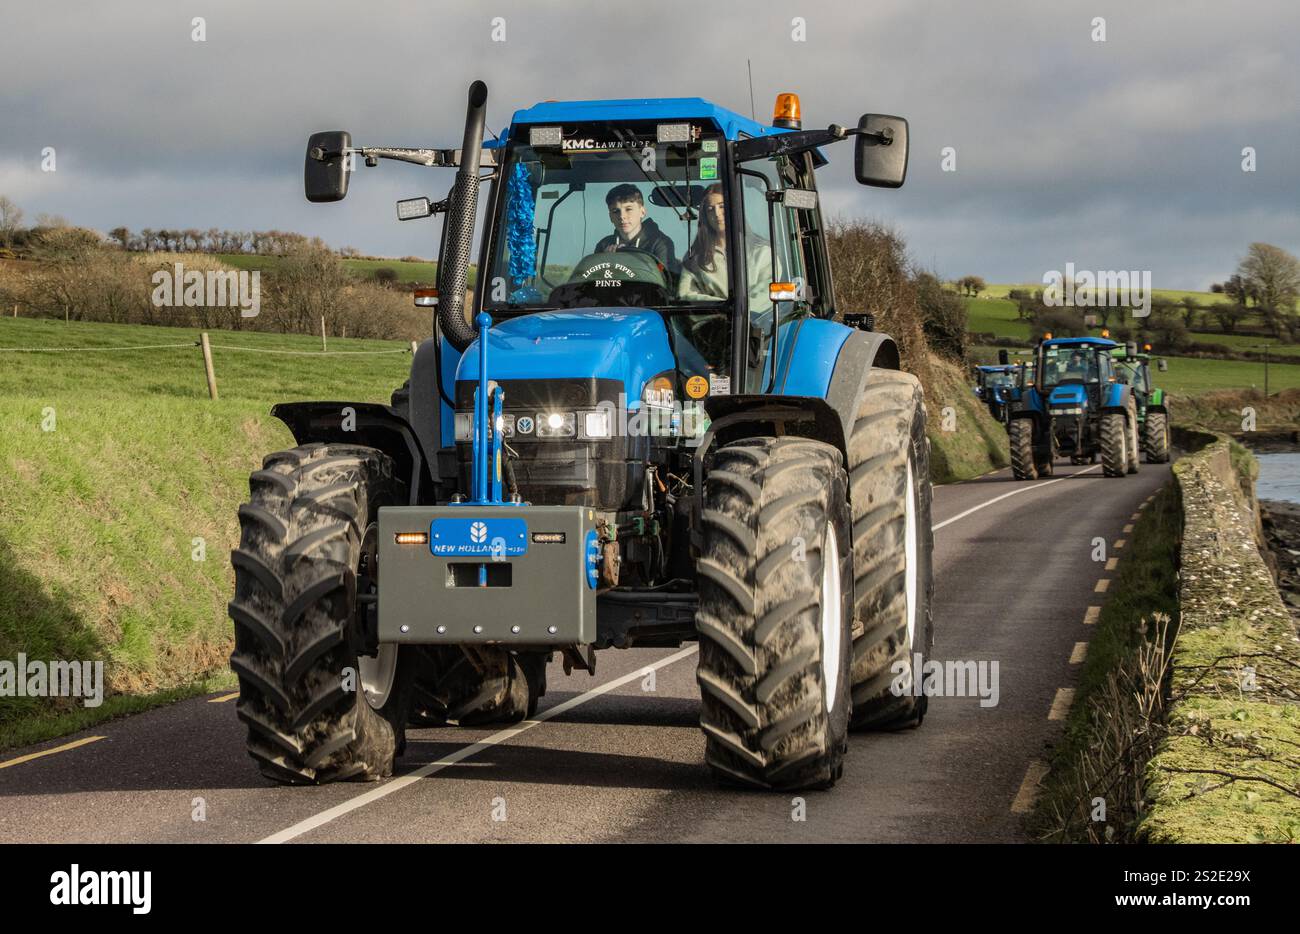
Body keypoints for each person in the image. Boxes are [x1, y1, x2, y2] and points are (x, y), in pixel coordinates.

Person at [677, 184, 773, 306]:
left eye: (722, 206)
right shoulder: (695, 257)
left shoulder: (763, 253)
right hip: (708, 322)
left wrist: (737, 308)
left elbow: (768, 295)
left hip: (756, 322)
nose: (717, 214)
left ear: (734, 210)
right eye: (710, 209)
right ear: (705, 216)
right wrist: (724, 306)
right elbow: (685, 295)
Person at [595, 184, 677, 272]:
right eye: (615, 211)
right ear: (610, 217)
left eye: (628, 209)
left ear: (642, 212)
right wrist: (605, 264)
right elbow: (593, 280)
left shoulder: (660, 243)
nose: (622, 216)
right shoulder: (604, 245)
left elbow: (665, 277)